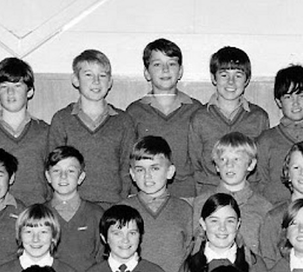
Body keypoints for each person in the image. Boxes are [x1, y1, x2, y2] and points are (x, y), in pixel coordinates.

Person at [47, 49, 138, 206]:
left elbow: (127, 167)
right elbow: (53, 166)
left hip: (113, 204)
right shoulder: (62, 119)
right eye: (88, 75)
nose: (96, 82)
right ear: (76, 80)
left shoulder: (123, 121)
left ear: (110, 82)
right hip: (73, 204)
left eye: (102, 76)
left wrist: (122, 202)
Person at [0, 57, 51, 208]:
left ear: (30, 91)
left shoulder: (45, 132)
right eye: (4, 87)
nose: (10, 93)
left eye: (17, 86)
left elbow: (53, 175)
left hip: (37, 214)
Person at [125, 39, 202, 199]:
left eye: (172, 64)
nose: (165, 70)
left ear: (180, 71)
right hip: (146, 193)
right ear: (147, 72)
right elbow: (129, 160)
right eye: (157, 64)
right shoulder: (134, 112)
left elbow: (199, 161)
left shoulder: (195, 110)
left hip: (186, 195)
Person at [188, 46, 270, 195]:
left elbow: (262, 165)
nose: (231, 82)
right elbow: (196, 164)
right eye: (224, 75)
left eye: (238, 75)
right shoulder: (199, 118)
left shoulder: (258, 117)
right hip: (211, 195)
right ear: (214, 78)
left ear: (247, 80)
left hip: (247, 195)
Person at [121, 136, 196, 272]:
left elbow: (191, 259)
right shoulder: (122, 210)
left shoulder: (184, 210)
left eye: (155, 168)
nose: (147, 176)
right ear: (132, 174)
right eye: (140, 169)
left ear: (170, 172)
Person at [255, 65, 303, 205]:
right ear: (278, 101)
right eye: (288, 97)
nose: (295, 103)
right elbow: (259, 186)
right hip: (277, 215)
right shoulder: (265, 141)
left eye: (302, 95)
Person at [190, 132, 273, 260]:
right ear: (217, 166)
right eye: (223, 159)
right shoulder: (201, 202)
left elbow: (267, 254)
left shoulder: (263, 206)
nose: (229, 165)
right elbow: (196, 248)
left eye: (237, 159)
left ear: (251, 164)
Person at [42, 145, 105, 272]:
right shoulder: (39, 214)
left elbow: (101, 259)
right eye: (56, 171)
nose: (63, 176)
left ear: (81, 177)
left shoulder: (96, 214)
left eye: (70, 171)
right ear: (48, 176)